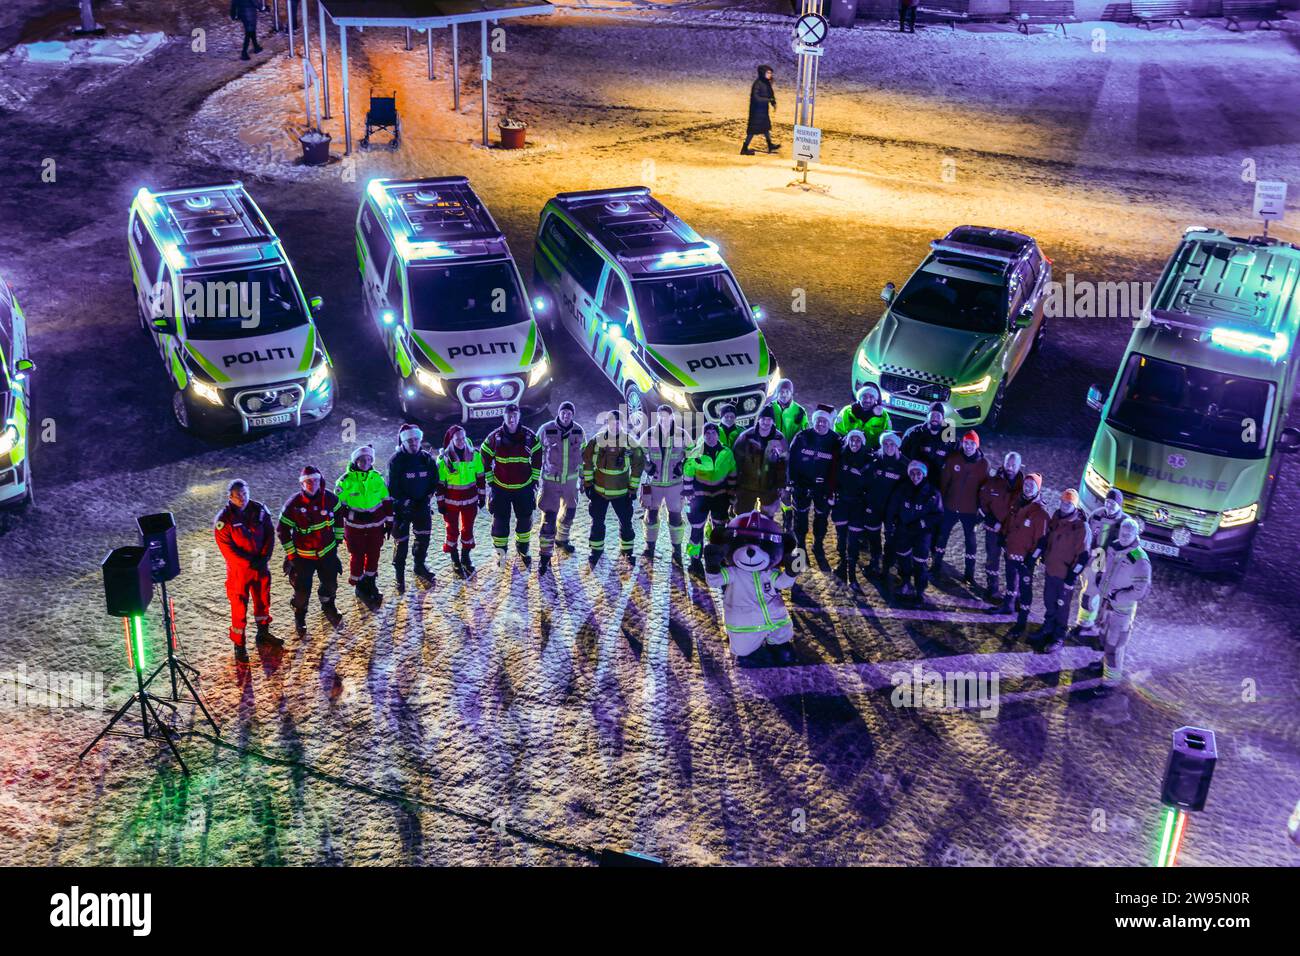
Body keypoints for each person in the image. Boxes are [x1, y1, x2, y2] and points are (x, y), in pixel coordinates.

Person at [214, 479, 277, 662]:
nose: (242, 498)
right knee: (239, 608)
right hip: (239, 573)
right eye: (238, 495)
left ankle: (263, 634)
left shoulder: (260, 510)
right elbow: (227, 550)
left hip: (260, 568)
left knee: (263, 601)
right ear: (230, 497)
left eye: (244, 494)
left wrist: (265, 557)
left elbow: (269, 533)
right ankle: (239, 645)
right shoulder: (224, 520)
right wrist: (251, 562)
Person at [278, 465, 344, 636]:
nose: (312, 484)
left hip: (327, 553)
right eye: (308, 481)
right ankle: (300, 616)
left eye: (314, 480)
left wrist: (337, 540)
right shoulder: (293, 504)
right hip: (302, 557)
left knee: (330, 584)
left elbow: (338, 518)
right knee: (301, 591)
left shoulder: (331, 499)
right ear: (302, 484)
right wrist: (292, 554)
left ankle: (328, 605)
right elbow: (282, 530)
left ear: (320, 480)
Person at [1089, 517, 1152, 694]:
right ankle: (1103, 665)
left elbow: (1141, 591)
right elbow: (1105, 568)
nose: (1124, 536)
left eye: (1128, 534)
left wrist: (1119, 596)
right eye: (1122, 532)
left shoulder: (1139, 558)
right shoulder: (1114, 546)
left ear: (1136, 534)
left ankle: (1110, 682)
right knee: (1102, 637)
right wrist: (1100, 581)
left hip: (1121, 611)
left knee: (1114, 645)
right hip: (1107, 604)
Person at [481, 403, 541, 568]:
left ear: (519, 416)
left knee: (525, 521)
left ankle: (523, 549)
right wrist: (490, 479)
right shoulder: (495, 437)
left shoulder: (530, 437)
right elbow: (484, 454)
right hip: (501, 488)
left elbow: (538, 455)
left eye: (515, 415)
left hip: (524, 488)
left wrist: (534, 479)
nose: (512, 419)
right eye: (509, 416)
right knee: (500, 523)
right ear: (504, 417)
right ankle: (501, 553)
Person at [582, 410, 644, 568]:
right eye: (612, 422)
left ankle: (627, 551)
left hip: (622, 492)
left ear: (622, 424)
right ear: (607, 423)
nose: (615, 426)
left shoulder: (630, 441)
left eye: (618, 423)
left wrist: (633, 489)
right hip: (599, 491)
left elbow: (638, 466)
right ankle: (596, 551)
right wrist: (588, 485)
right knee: (597, 523)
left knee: (626, 523)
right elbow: (587, 463)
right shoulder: (597, 441)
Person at [1032, 488, 1092, 654]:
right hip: (1051, 570)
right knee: (1049, 601)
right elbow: (1047, 538)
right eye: (1063, 502)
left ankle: (1058, 636)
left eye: (1069, 503)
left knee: (1062, 607)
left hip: (1065, 576)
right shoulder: (1057, 517)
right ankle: (1047, 628)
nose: (1065, 505)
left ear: (1075, 505)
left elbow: (1083, 556)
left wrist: (1071, 578)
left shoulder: (1081, 527)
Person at [335, 445, 393, 608]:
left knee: (374, 554)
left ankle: (370, 581)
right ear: (356, 461)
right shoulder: (345, 481)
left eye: (369, 459)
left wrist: (389, 522)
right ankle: (360, 585)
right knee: (357, 555)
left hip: (376, 525)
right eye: (362, 459)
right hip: (355, 528)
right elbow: (338, 507)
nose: (366, 462)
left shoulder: (377, 478)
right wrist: (355, 515)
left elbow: (386, 500)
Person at [534, 401, 585, 576]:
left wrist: (584, 479)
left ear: (573, 415)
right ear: (559, 412)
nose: (566, 415)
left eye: (569, 413)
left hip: (570, 483)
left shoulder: (579, 431)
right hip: (551, 482)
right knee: (549, 520)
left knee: (569, 513)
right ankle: (544, 557)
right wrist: (533, 477)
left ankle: (562, 539)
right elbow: (534, 453)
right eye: (563, 412)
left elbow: (583, 456)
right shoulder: (546, 429)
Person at [934, 431, 990, 585]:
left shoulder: (983, 464)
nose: (969, 446)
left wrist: (981, 510)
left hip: (970, 510)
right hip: (950, 506)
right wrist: (942, 503)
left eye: (972, 443)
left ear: (977, 445)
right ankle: (936, 565)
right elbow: (944, 482)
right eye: (966, 442)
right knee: (942, 536)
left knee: (970, 542)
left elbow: (984, 489)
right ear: (963, 443)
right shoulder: (954, 459)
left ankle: (969, 574)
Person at [387, 423, 437, 593]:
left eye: (416, 439)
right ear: (404, 442)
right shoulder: (396, 461)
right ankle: (399, 576)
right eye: (410, 440)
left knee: (423, 539)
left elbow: (434, 481)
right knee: (401, 544)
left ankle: (419, 566)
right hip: (402, 510)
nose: (414, 443)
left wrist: (427, 498)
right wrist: (406, 502)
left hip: (422, 507)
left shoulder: (426, 459)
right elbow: (393, 487)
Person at [998, 472, 1051, 636]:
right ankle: (1008, 606)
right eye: (1026, 484)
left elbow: (1042, 540)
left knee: (1025, 590)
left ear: (1038, 489)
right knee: (1010, 581)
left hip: (1025, 560)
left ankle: (1021, 622)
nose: (1027, 487)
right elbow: (1009, 522)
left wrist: (1032, 558)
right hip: (1011, 552)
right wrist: (1003, 536)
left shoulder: (1041, 513)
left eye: (1032, 485)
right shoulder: (1017, 502)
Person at [885, 459, 943, 604]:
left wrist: (922, 523)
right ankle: (905, 583)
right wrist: (890, 525)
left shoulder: (932, 493)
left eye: (918, 473)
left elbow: (938, 514)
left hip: (922, 534)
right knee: (903, 557)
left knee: (920, 562)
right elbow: (892, 507)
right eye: (912, 473)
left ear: (923, 474)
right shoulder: (902, 489)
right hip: (903, 530)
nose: (915, 476)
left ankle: (919, 591)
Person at [787, 404, 839, 564]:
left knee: (821, 517)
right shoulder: (802, 437)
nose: (821, 424)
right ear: (813, 420)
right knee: (800, 516)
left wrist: (833, 488)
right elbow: (791, 461)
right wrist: (791, 483)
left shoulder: (835, 440)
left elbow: (837, 466)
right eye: (818, 420)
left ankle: (818, 545)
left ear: (829, 422)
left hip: (822, 488)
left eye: (824, 421)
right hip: (801, 485)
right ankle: (800, 545)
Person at [684, 421, 737, 579]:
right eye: (707, 433)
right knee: (695, 531)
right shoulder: (696, 452)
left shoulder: (726, 452)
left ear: (718, 435)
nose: (711, 436)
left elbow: (732, 472)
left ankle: (718, 559)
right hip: (699, 498)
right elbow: (688, 471)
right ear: (703, 435)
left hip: (720, 497)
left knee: (719, 531)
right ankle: (694, 562)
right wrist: (687, 490)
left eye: (714, 433)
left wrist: (732, 492)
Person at [638, 404, 689, 566]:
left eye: (666, 416)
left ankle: (677, 551)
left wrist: (683, 467)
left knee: (675, 516)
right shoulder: (649, 434)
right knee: (651, 516)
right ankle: (649, 547)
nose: (663, 419)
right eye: (660, 416)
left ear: (672, 417)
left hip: (675, 484)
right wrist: (647, 467)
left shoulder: (682, 434)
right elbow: (638, 454)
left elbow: (693, 454)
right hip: (655, 484)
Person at [1075, 488, 1127, 638]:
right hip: (1096, 557)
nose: (1109, 506)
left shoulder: (1124, 522)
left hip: (1112, 563)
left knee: (1107, 601)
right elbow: (1087, 536)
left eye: (1113, 503)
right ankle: (1085, 624)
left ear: (1120, 505)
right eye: (1108, 502)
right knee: (1089, 594)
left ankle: (1103, 631)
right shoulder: (1096, 515)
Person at [436, 425, 486, 577]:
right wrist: (440, 503)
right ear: (452, 440)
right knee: (452, 531)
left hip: (470, 501)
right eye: (457, 439)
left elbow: (480, 477)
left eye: (463, 438)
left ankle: (465, 557)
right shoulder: (444, 459)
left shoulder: (474, 455)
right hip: (451, 502)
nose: (461, 441)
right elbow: (440, 484)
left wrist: (482, 496)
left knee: (468, 530)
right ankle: (455, 559)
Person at [977, 450, 1024, 601]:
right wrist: (992, 522)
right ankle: (992, 589)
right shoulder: (992, 482)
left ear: (1019, 466)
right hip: (993, 531)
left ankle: (1014, 594)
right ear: (1003, 463)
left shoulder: (1024, 487)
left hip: (1012, 533)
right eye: (1008, 463)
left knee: (1014, 563)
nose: (1010, 467)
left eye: (1013, 464)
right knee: (992, 560)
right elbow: (983, 504)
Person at [862, 430, 909, 579]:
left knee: (891, 538)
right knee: (873, 536)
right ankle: (875, 561)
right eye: (886, 444)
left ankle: (888, 566)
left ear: (897, 446)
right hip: (875, 506)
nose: (889, 446)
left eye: (892, 444)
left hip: (893, 511)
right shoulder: (875, 459)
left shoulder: (905, 465)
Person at [832, 429, 872, 590]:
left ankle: (852, 574)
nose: (854, 443)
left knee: (853, 540)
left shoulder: (869, 459)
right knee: (841, 538)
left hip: (858, 505)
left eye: (858, 440)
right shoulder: (840, 456)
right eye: (852, 440)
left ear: (862, 442)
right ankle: (842, 563)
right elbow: (832, 477)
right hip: (841, 503)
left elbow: (870, 485)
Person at [733, 404, 789, 516]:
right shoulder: (746, 437)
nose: (766, 422)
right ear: (758, 420)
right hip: (746, 487)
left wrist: (782, 486)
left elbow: (785, 464)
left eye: (769, 419)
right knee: (742, 517)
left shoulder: (779, 439)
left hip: (769, 488)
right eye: (763, 419)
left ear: (773, 421)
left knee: (767, 519)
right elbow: (736, 462)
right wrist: (734, 485)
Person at [901, 401, 955, 476]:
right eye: (932, 415)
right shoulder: (914, 433)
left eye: (938, 416)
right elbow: (902, 454)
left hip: (939, 478)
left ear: (943, 418)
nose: (935, 418)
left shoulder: (950, 437)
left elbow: (956, 459)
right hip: (916, 476)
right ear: (927, 416)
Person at [834, 384, 892, 450]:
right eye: (864, 396)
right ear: (859, 398)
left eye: (871, 397)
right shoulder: (847, 412)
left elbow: (888, 435)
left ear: (875, 399)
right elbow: (838, 430)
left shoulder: (883, 415)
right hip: (849, 449)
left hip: (872, 452)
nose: (868, 400)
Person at [741, 65, 780, 156]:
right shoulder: (757, 84)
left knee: (765, 127)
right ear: (763, 73)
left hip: (763, 110)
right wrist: (768, 100)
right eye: (768, 73)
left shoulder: (766, 83)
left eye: (771, 73)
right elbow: (756, 98)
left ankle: (770, 144)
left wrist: (773, 102)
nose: (770, 74)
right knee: (752, 130)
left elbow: (770, 93)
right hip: (756, 111)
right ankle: (744, 148)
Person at [771, 379, 808, 445]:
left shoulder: (800, 411)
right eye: (781, 391)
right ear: (777, 393)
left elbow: (805, 432)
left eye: (787, 391)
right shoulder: (769, 407)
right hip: (771, 448)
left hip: (790, 449)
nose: (784, 394)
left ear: (791, 393)